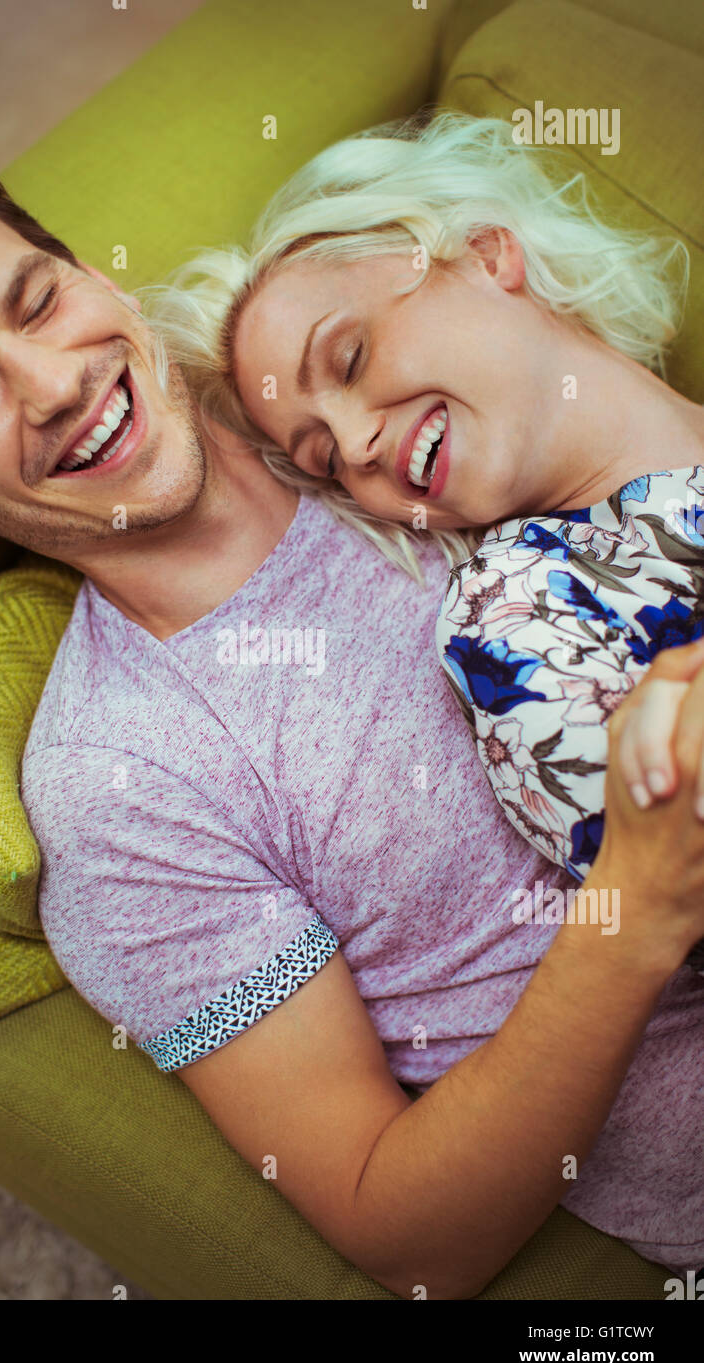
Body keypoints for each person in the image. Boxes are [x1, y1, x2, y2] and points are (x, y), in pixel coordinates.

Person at [0, 148, 702, 1299]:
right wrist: (630, 916)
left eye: (38, 300)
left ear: (92, 274)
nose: (49, 382)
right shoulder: (124, 789)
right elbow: (401, 1234)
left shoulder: (312, 362)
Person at [152, 111, 704, 963]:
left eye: (348, 358)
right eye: (326, 456)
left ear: (487, 255)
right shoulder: (519, 619)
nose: (359, 444)